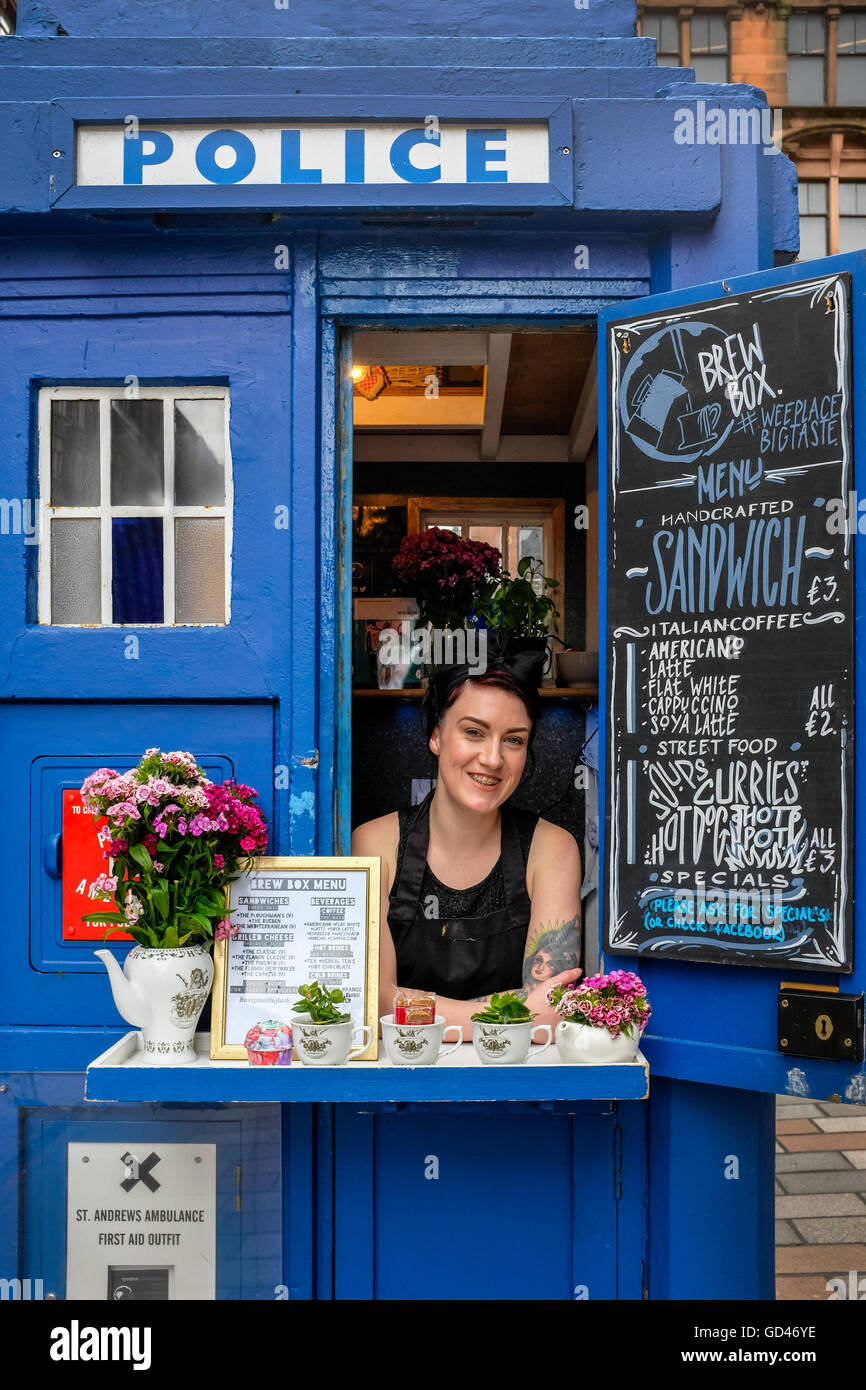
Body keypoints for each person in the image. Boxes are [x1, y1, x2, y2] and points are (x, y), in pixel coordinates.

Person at [350, 649, 583, 1036]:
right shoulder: (376, 844)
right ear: (436, 735)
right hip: (401, 1079)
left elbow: (553, 1014)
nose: (493, 759)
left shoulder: (552, 848)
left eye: (514, 740)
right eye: (473, 732)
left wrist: (405, 1002)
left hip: (517, 1082)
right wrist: (518, 1011)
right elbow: (372, 1004)